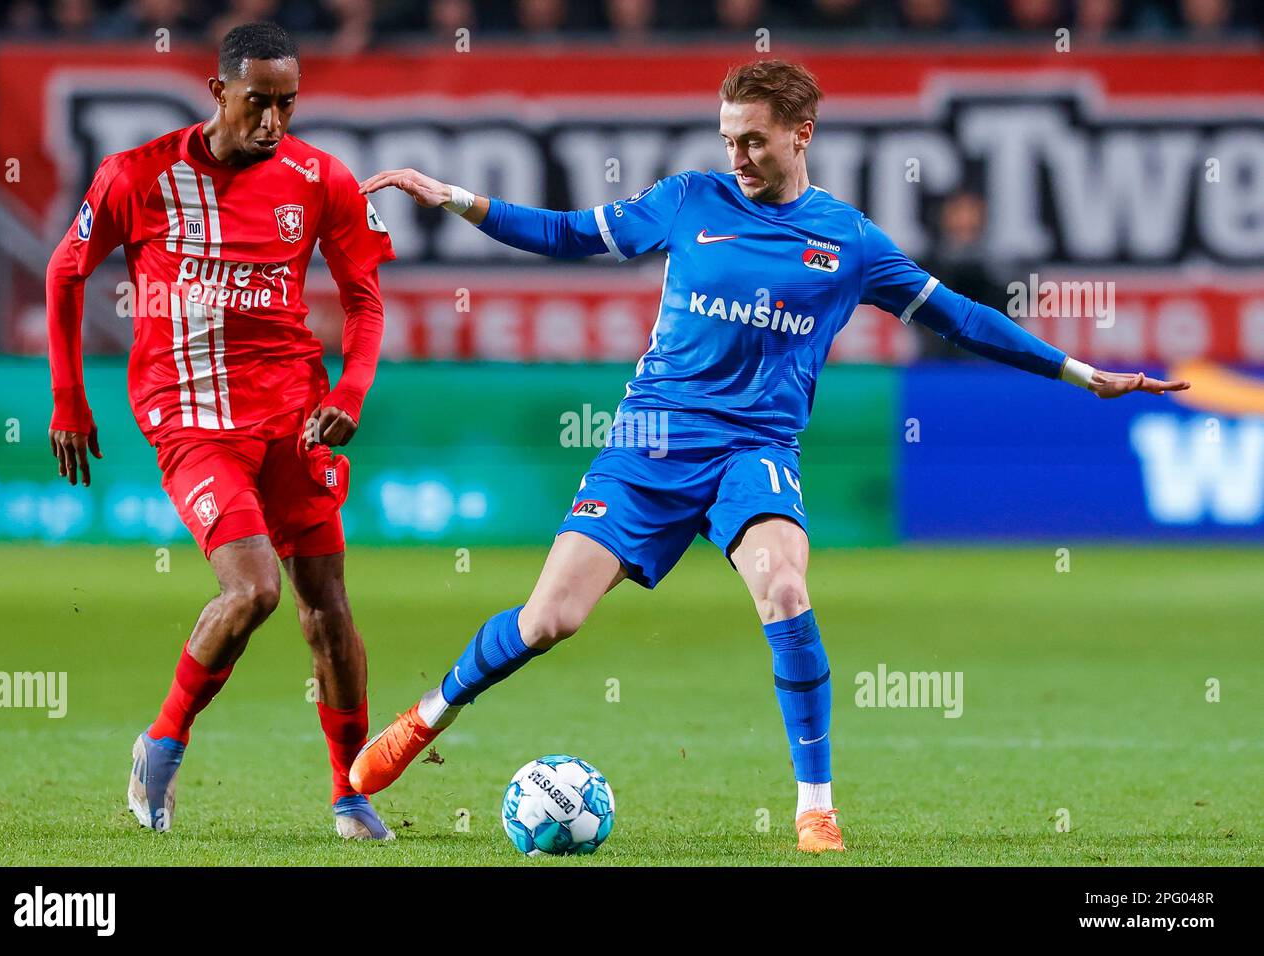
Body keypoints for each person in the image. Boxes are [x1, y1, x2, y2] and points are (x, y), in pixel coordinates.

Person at [348, 59, 1188, 853]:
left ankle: (814, 810)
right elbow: (570, 234)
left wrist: (1081, 373)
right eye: (727, 138)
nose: (737, 155)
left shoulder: (847, 241)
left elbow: (960, 317)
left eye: (753, 139)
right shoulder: (689, 199)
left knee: (785, 590)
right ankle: (428, 714)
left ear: (801, 133)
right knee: (549, 621)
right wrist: (454, 196)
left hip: (755, 449)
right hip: (651, 443)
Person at [45, 21, 396, 839]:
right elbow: (66, 269)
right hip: (192, 418)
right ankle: (161, 744)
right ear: (219, 93)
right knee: (255, 590)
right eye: (257, 103)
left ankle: (349, 795)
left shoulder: (321, 179)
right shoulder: (139, 175)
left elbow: (364, 299)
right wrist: (68, 398)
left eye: (287, 104)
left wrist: (352, 387)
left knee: (328, 611)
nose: (273, 122)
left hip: (292, 418)